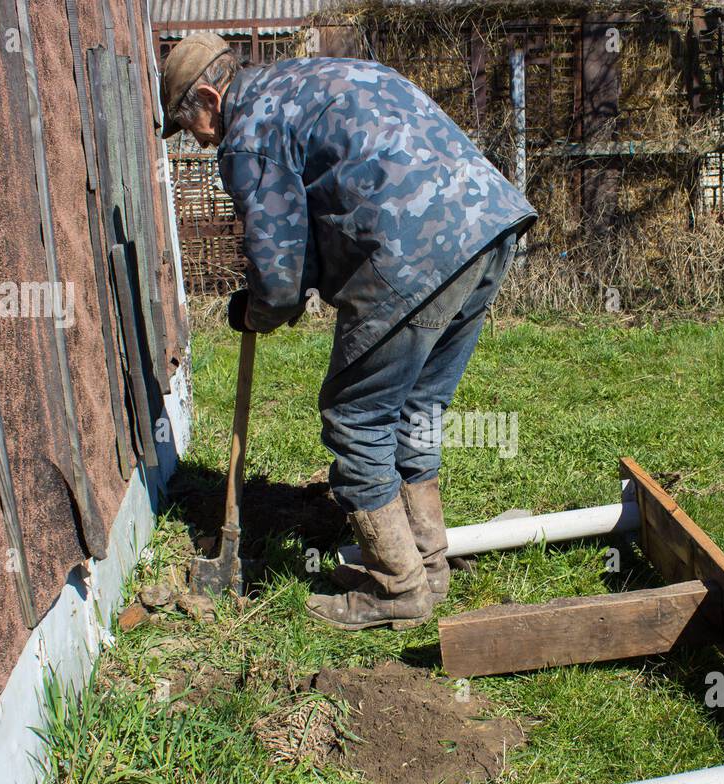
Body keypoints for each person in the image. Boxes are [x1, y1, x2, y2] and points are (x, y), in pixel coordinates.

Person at [160, 35, 537, 630]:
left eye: (193, 126)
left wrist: (254, 312)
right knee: (416, 408)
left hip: (410, 254)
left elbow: (280, 280)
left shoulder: (248, 131)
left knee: (356, 419)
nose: (201, 141)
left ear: (210, 96)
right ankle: (426, 563)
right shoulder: (318, 75)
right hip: (486, 225)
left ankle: (398, 587)